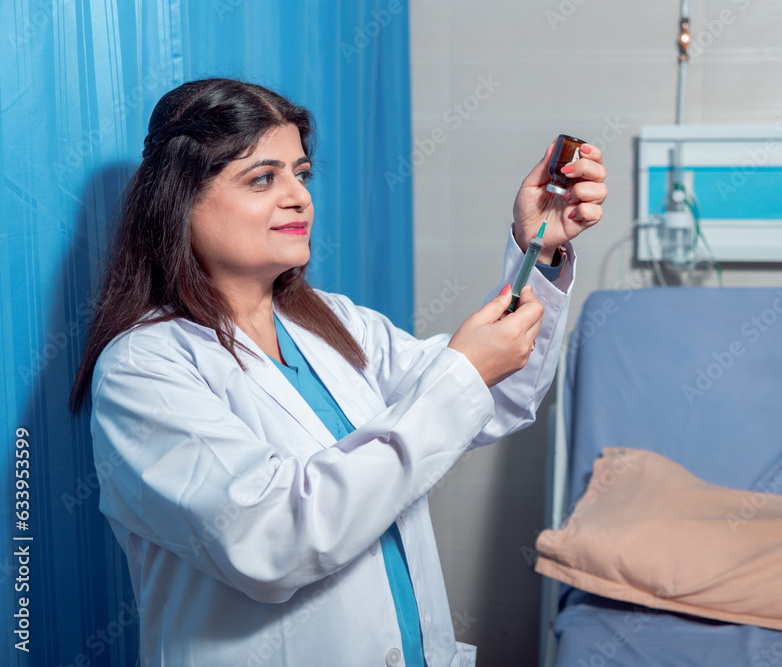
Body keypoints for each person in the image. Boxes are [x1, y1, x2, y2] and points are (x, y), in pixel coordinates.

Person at [68, 78, 606, 666]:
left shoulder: (334, 323)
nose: (298, 197)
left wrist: (540, 252)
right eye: (262, 177)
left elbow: (494, 398)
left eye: (302, 173)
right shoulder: (144, 369)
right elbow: (275, 540)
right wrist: (463, 371)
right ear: (179, 199)